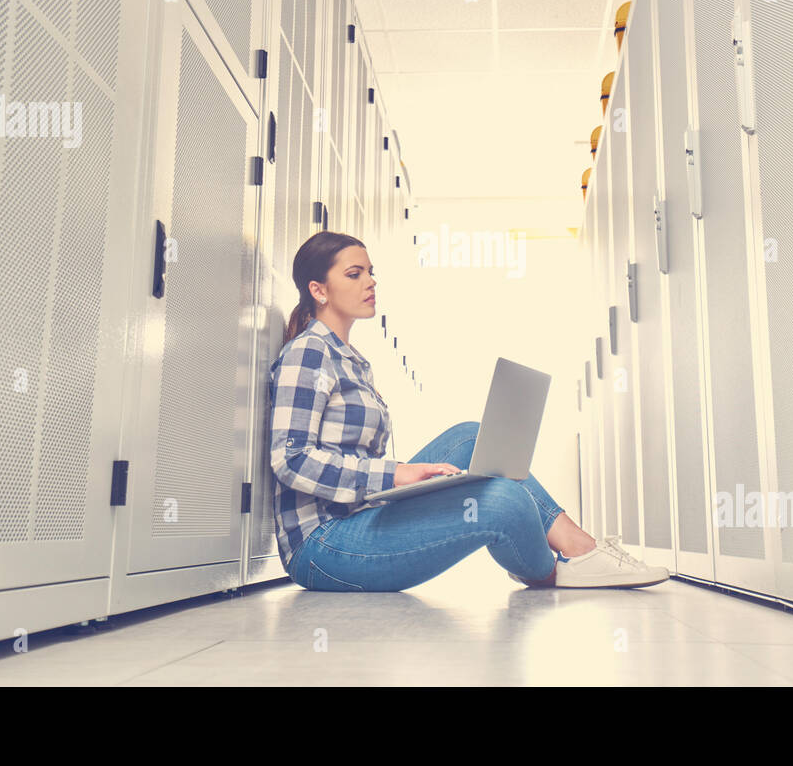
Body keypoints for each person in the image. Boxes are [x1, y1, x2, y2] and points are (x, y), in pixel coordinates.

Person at [268, 230, 670, 592]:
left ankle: (581, 551)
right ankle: (558, 568)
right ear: (319, 290)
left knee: (471, 435)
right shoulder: (308, 352)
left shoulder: (350, 358)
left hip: (361, 513)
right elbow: (290, 460)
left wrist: (400, 480)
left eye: (371, 272)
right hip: (323, 545)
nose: (371, 282)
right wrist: (396, 472)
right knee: (504, 501)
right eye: (355, 274)